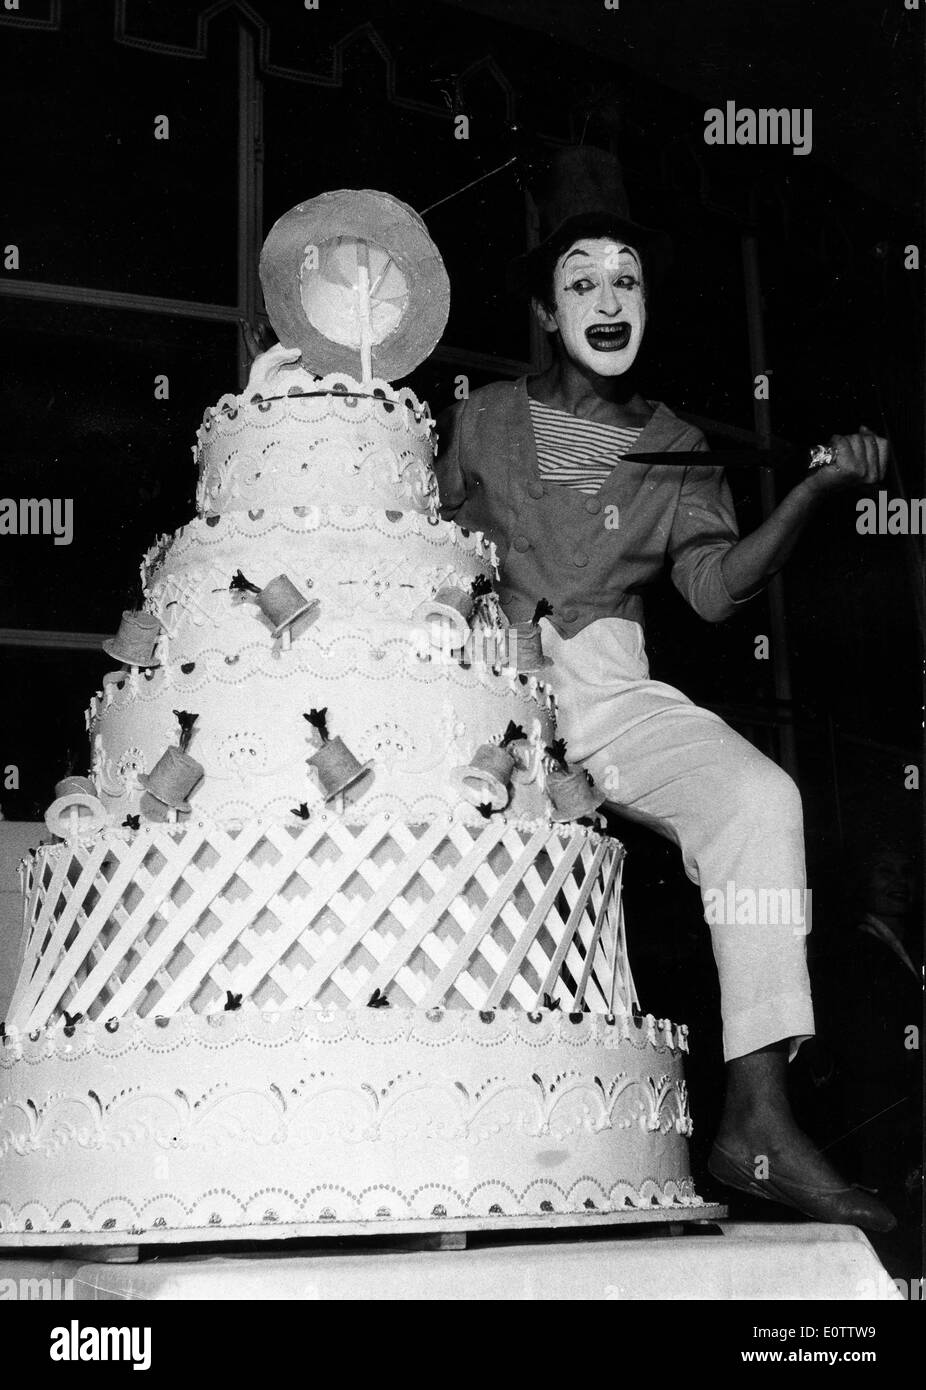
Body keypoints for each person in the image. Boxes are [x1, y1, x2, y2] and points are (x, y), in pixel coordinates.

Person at [434, 146, 894, 1231]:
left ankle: (756, 1117)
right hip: (480, 690)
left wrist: (816, 491)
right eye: (582, 281)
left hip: (610, 686)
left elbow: (715, 592)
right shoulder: (483, 420)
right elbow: (436, 543)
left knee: (757, 799)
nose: (607, 300)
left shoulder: (677, 449)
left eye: (626, 281)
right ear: (545, 310)